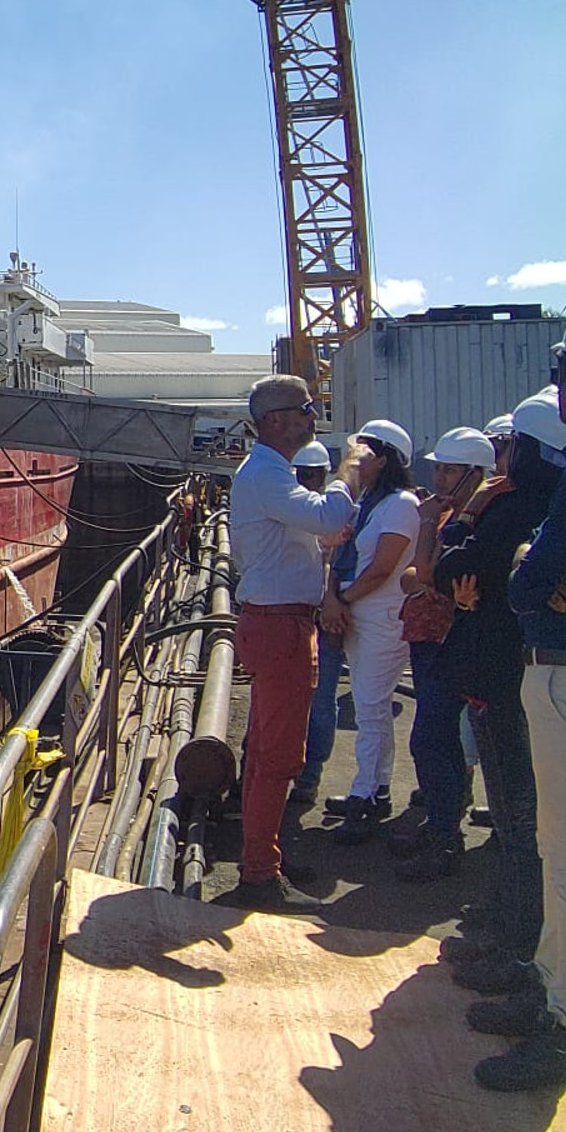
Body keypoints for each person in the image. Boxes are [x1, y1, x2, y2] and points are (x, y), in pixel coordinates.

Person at [441, 401, 566, 1021]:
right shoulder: (527, 504)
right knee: (526, 826)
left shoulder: (518, 505)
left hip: (507, 676)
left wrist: (493, 556)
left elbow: (470, 569)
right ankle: (521, 940)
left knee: (525, 827)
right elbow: (456, 565)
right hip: (512, 674)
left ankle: (523, 952)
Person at [483, 325, 566, 1092]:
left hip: (564, 677)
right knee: (555, 848)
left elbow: (526, 581)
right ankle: (550, 982)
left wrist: (524, 569)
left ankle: (565, 1021)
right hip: (557, 673)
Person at [227, 375, 360, 909]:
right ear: (276, 420)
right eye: (305, 409)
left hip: (276, 620)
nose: (312, 417)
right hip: (282, 625)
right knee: (279, 755)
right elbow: (329, 516)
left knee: (266, 749)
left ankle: (264, 854)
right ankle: (259, 872)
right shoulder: (265, 475)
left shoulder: (269, 475)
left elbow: (315, 527)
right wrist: (349, 469)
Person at [389, 427, 499, 874]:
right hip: (433, 637)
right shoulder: (454, 512)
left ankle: (445, 835)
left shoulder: (467, 518)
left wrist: (429, 525)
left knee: (434, 737)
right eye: (437, 467)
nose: (439, 477)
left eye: (449, 469)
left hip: (451, 640)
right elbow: (413, 577)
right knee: (436, 739)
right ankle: (441, 823)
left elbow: (426, 575)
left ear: (474, 473)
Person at [324, 420, 419, 845]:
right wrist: (337, 596)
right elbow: (343, 554)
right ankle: (375, 788)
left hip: (382, 617)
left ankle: (366, 794)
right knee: (372, 708)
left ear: (383, 460)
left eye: (363, 454)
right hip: (362, 613)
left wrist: (341, 600)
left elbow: (383, 568)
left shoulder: (400, 505)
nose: (356, 462)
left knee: (370, 706)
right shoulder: (369, 505)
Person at [293, 440, 346, 806]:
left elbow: (338, 559)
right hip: (297, 614)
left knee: (321, 700)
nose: (309, 480)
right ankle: (292, 772)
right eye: (304, 474)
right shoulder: (298, 507)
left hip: (318, 615)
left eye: (312, 474)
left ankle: (309, 775)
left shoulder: (330, 512)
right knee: (304, 699)